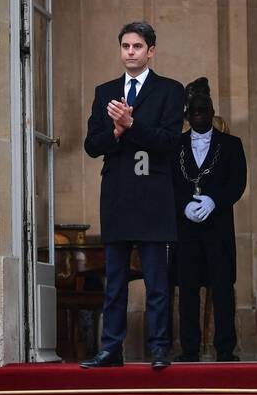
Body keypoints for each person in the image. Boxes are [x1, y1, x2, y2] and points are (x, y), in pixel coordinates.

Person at [82, 21, 184, 370]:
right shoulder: (105, 91)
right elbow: (91, 145)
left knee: (157, 281)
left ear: (150, 50)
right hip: (118, 196)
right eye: (125, 46)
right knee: (115, 283)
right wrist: (114, 129)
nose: (130, 52)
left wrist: (132, 126)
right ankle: (111, 348)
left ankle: (159, 348)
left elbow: (170, 142)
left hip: (154, 195)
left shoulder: (171, 90)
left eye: (137, 47)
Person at [172, 77, 246, 362]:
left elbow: (238, 182)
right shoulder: (174, 146)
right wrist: (183, 206)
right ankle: (189, 348)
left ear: (213, 112)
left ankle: (225, 348)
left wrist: (215, 200)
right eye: (196, 112)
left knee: (223, 288)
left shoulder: (231, 144)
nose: (201, 115)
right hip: (187, 230)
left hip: (219, 229)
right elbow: (169, 184)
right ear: (188, 116)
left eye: (206, 111)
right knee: (187, 289)